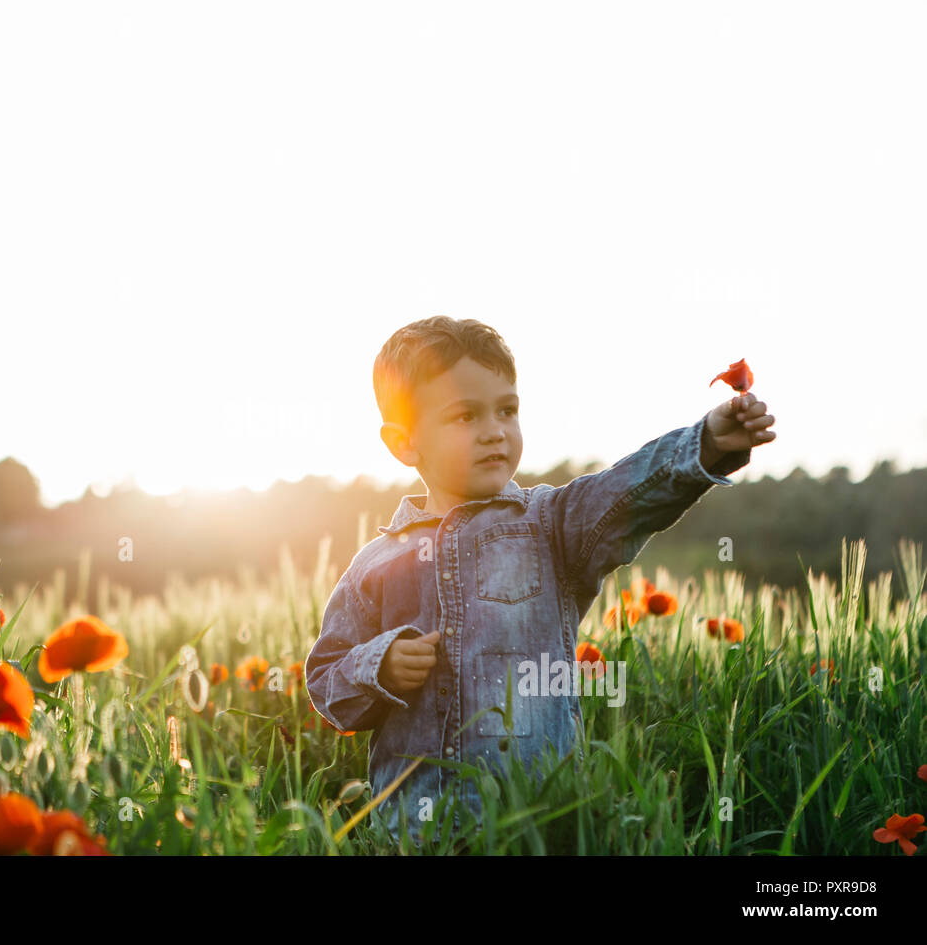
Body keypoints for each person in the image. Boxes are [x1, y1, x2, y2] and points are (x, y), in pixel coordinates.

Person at [304, 316, 776, 850]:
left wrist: (706, 444)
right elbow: (326, 682)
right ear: (404, 443)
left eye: (507, 410)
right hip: (417, 833)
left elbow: (627, 491)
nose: (494, 430)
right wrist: (379, 664)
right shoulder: (374, 564)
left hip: (543, 821)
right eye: (465, 415)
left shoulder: (551, 523)